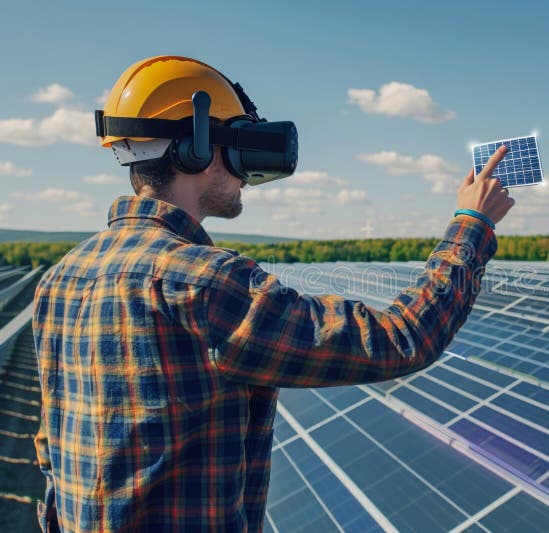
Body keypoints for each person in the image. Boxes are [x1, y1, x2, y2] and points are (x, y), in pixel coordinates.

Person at [32, 55, 514, 532]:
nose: (246, 174)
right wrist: (471, 225)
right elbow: (401, 339)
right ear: (197, 145)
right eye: (240, 142)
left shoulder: (63, 278)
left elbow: (52, 447)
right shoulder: (206, 283)